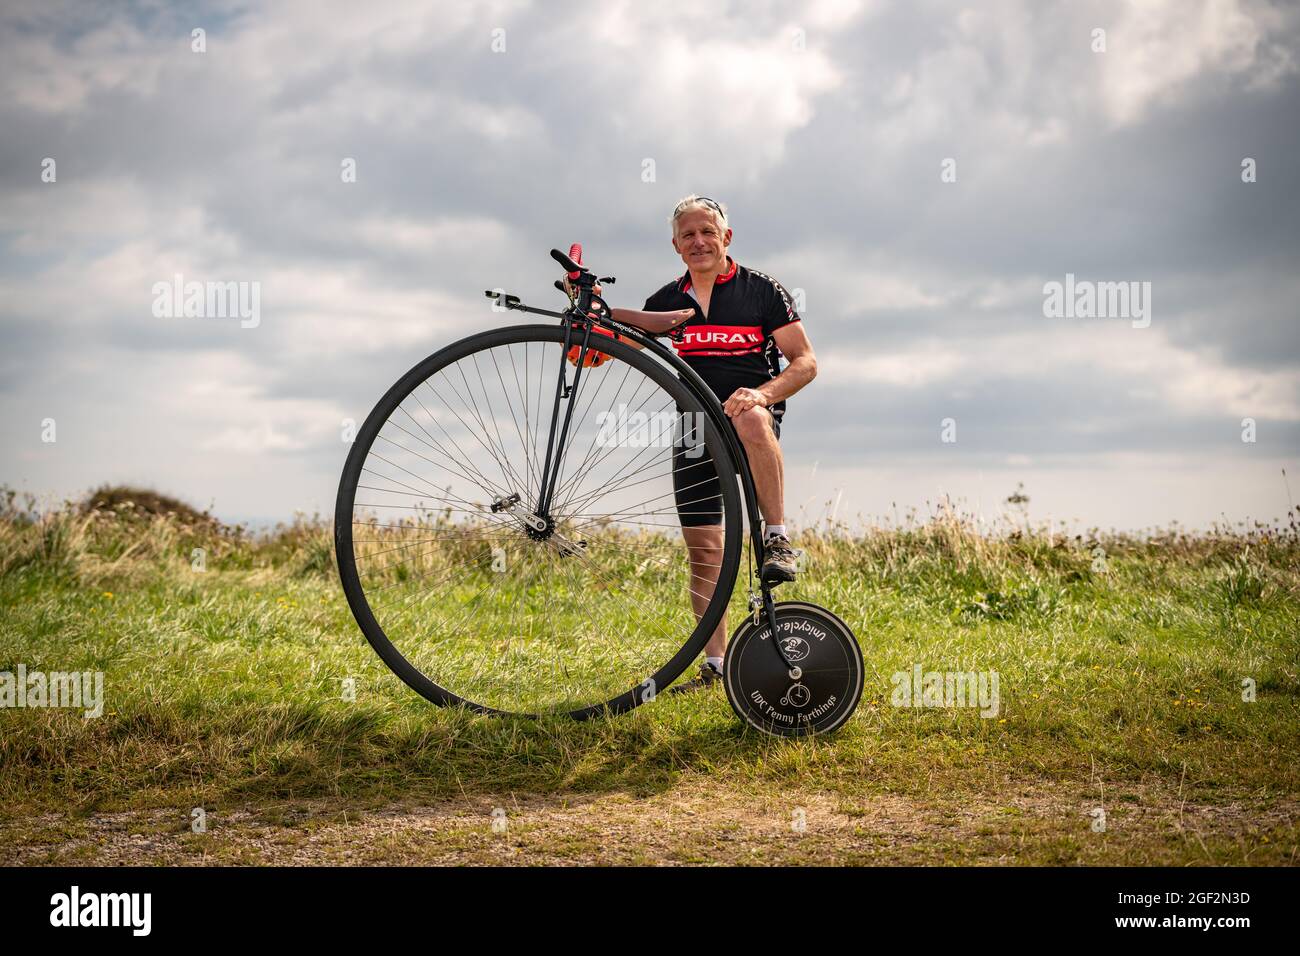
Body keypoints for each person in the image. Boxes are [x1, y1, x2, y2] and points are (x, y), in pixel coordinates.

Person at [611, 195, 818, 691]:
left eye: (708, 232)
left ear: (726, 238)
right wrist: (582, 338)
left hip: (751, 420)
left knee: (749, 417)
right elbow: (621, 347)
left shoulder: (762, 291)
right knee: (705, 550)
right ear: (677, 246)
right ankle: (717, 666)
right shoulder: (665, 301)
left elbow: (805, 362)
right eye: (688, 235)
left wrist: (761, 394)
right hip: (693, 429)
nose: (699, 241)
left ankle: (776, 537)